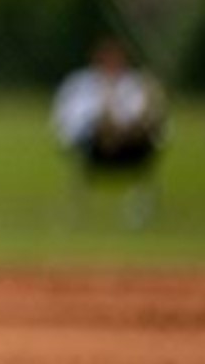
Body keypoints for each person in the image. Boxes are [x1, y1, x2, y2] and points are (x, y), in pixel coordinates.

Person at [50, 37, 167, 226]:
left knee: (146, 110)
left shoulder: (134, 84)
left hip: (131, 144)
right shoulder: (80, 83)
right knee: (104, 120)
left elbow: (147, 123)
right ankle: (109, 131)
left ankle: (114, 132)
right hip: (94, 143)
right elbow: (66, 120)